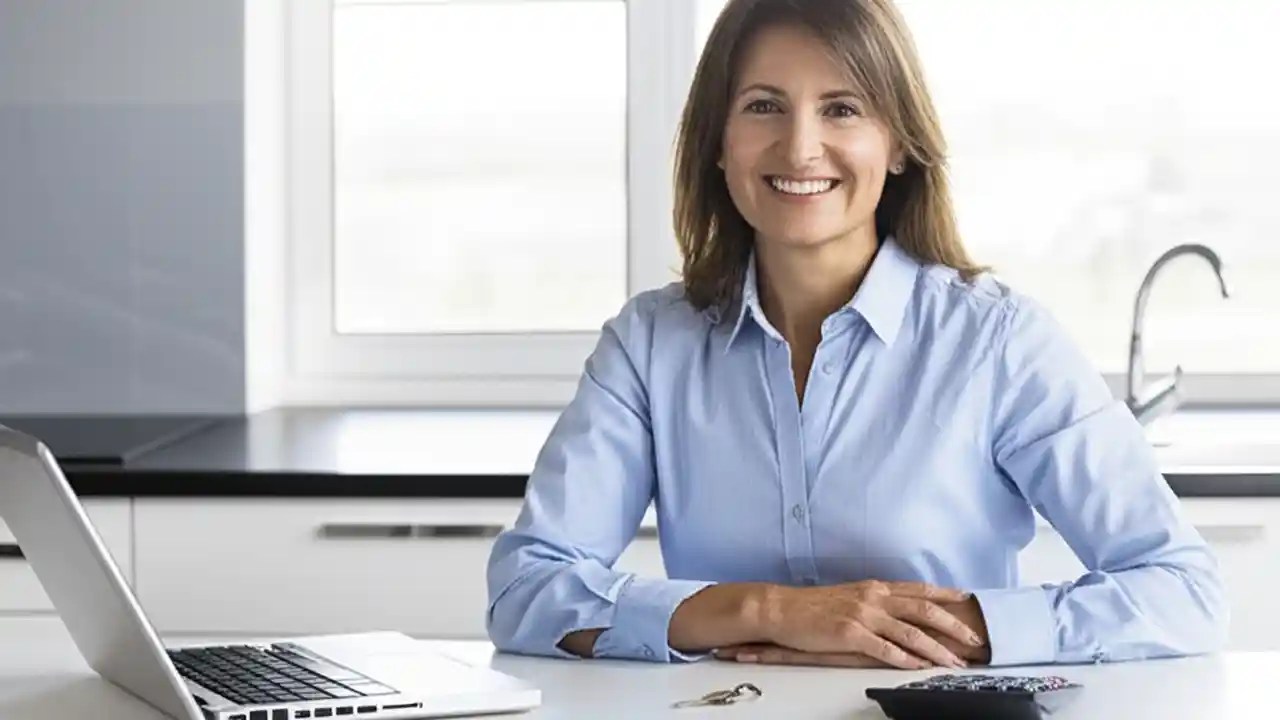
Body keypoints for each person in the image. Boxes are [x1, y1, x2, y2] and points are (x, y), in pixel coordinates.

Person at [485, 0, 1226, 669]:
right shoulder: (649, 345)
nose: (801, 148)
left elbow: (1180, 590)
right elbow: (528, 586)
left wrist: (937, 629)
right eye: (764, 106)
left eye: (842, 109)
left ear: (899, 145)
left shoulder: (1001, 343)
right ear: (718, 142)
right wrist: (772, 612)